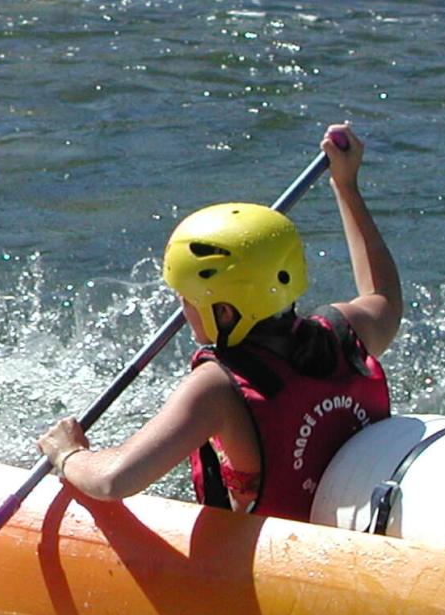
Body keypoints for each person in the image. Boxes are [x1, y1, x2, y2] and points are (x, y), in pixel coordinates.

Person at [36, 124, 401, 521]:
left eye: (188, 296)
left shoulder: (216, 390)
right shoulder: (343, 333)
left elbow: (115, 480)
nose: (181, 304)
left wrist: (68, 453)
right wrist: (346, 187)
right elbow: (384, 296)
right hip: (357, 527)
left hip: (276, 561)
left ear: (225, 312)